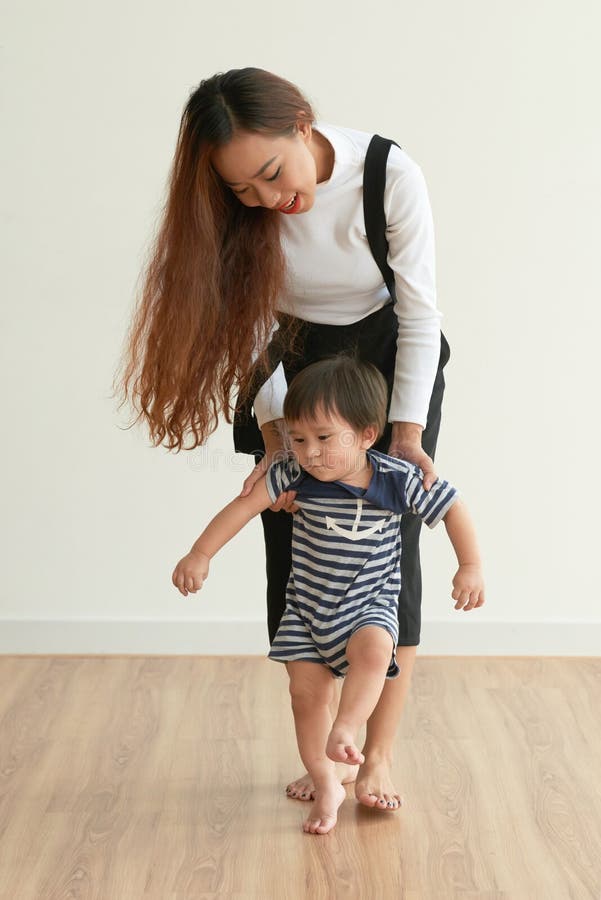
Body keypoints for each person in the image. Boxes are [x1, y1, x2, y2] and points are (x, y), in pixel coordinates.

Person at [115, 66, 453, 810]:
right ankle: (319, 752)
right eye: (245, 192)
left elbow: (420, 312)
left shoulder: (386, 172)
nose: (270, 201)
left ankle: (377, 757)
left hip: (385, 360)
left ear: (302, 122)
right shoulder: (240, 208)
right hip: (285, 359)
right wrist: (274, 437)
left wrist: (406, 432)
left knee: (391, 561)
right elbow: (250, 331)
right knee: (294, 548)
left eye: (271, 174)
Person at [172, 356, 485, 835]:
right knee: (304, 694)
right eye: (298, 439)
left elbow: (453, 508)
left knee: (377, 651)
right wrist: (200, 553)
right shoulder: (292, 475)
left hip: (368, 606)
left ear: (366, 434)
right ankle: (326, 779)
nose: (310, 452)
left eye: (323, 439)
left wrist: (470, 566)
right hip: (307, 611)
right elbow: (242, 506)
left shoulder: (395, 479)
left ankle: (347, 730)